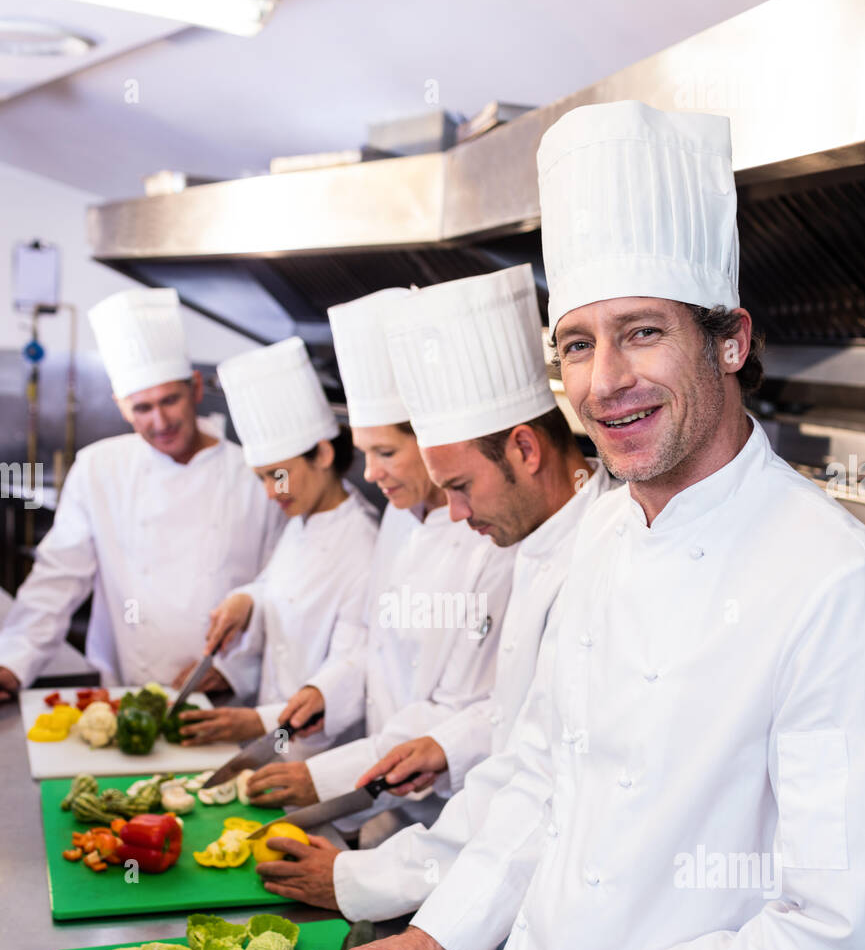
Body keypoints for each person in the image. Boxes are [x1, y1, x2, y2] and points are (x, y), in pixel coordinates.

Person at [306, 100, 865, 950]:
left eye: (642, 334)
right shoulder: (606, 532)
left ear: (728, 340)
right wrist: (431, 932)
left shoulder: (830, 578)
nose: (604, 379)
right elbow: (538, 773)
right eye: (575, 343)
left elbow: (840, 935)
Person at [256, 263, 613, 912]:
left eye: (459, 486)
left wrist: (366, 875)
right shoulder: (531, 537)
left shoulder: (600, 555)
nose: (454, 513)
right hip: (460, 848)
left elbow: (533, 770)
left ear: (526, 450)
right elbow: (517, 748)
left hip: (530, 887)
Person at [244, 287, 515, 850]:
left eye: (387, 453)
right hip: (384, 800)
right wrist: (327, 691)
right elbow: (374, 640)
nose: (369, 474)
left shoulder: (494, 534)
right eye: (365, 452)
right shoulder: (400, 516)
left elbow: (467, 707)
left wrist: (324, 777)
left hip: (456, 818)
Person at [0, 287, 283, 701]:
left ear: (196, 388)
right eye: (142, 408)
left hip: (225, 701)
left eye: (170, 400)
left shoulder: (253, 473)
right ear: (120, 406)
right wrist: (13, 662)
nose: (161, 420)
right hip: (124, 695)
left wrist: (229, 668)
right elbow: (57, 579)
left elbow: (279, 584)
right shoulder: (98, 468)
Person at [176, 336, 380, 755]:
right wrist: (246, 601)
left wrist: (257, 722)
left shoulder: (362, 547)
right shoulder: (303, 522)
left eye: (277, 475)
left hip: (317, 758)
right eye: (261, 479)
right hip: (272, 748)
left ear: (322, 454)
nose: (271, 492)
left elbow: (350, 675)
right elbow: (276, 587)